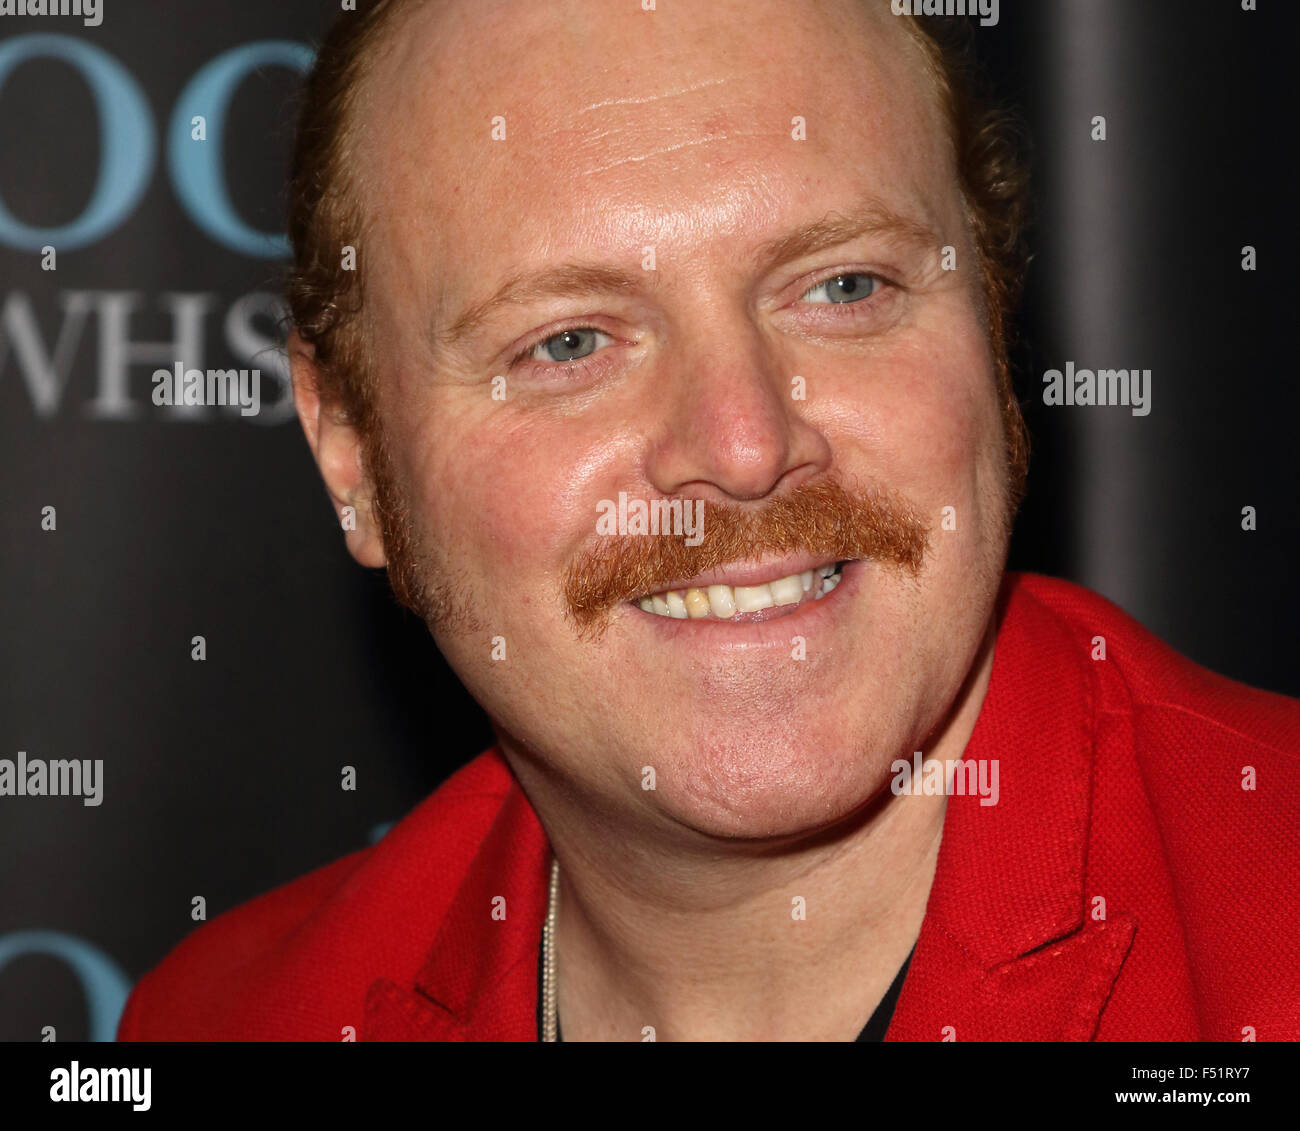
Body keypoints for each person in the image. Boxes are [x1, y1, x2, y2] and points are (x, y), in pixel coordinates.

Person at [117, 0, 1300, 1042]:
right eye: (569, 342)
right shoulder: (227, 1021)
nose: (742, 446)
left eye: (844, 287)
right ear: (353, 456)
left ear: (990, 328)